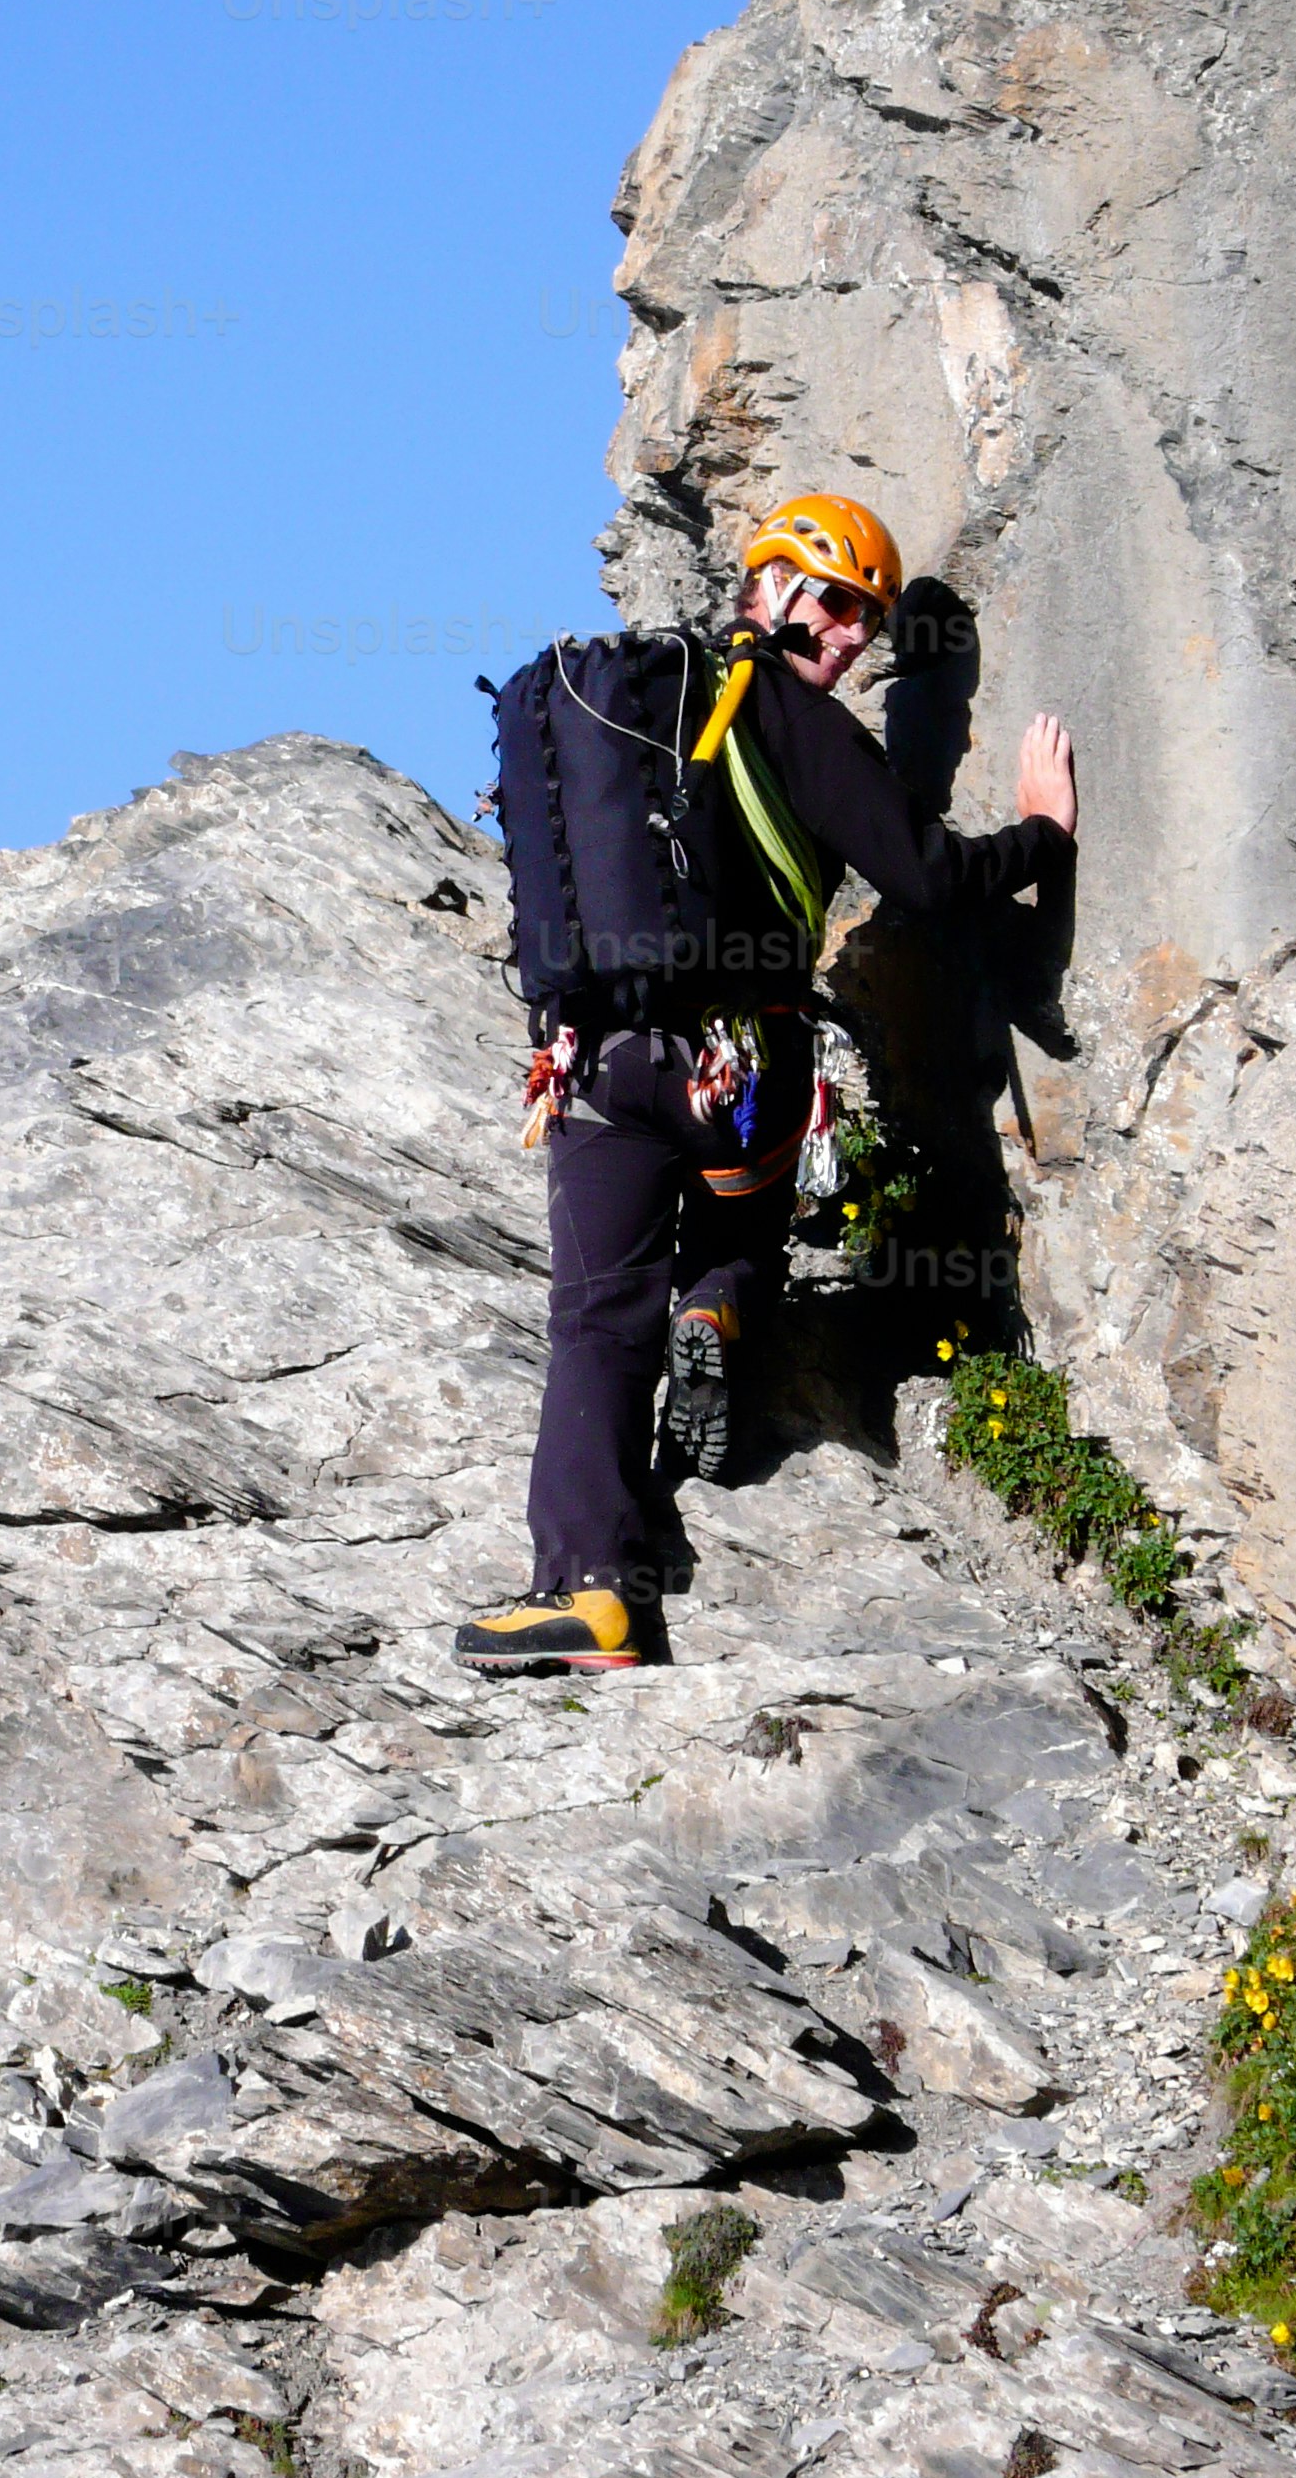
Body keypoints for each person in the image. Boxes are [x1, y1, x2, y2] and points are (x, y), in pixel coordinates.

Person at [455, 494, 1077, 1674]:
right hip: (738, 1072)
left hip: (596, 1063)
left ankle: (591, 1597)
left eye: (871, 624)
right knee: (742, 1209)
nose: (851, 638)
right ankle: (724, 1303)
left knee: (592, 1319)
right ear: (776, 589)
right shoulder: (797, 718)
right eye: (840, 604)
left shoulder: (646, 713)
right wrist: (1045, 836)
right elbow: (931, 875)